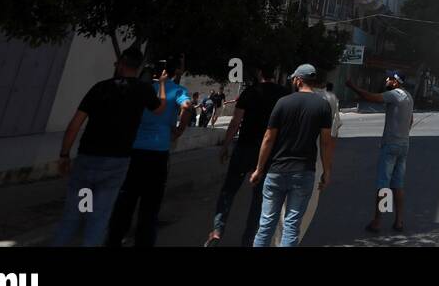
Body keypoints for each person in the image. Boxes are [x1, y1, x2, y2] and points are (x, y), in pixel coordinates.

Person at [53, 47, 165, 246]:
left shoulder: (100, 88)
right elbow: (159, 109)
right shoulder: (143, 90)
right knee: (98, 219)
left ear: (120, 64)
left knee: (73, 216)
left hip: (87, 161)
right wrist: (162, 84)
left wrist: (64, 154)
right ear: (138, 68)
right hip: (115, 164)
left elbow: (74, 125)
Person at [105, 58, 192, 247]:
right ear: (173, 73)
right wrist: (179, 130)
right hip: (158, 152)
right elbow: (187, 106)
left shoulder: (142, 88)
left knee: (125, 199)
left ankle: (114, 239)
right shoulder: (178, 90)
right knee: (150, 205)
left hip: (134, 149)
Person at [250, 64, 334, 247]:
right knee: (291, 226)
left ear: (298, 80)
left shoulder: (283, 102)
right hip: (304, 172)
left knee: (265, 224)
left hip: (276, 171)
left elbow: (268, 138)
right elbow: (326, 142)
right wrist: (327, 172)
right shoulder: (322, 106)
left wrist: (259, 169)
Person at [205, 67, 287, 246]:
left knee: (229, 190)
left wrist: (225, 146)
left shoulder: (249, 92)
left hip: (244, 147)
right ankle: (248, 239)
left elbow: (235, 122)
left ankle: (218, 231)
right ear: (276, 73)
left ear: (259, 73)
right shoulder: (284, 94)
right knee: (259, 198)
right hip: (268, 152)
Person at [348, 71, 413, 233]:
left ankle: (377, 222)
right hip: (404, 144)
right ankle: (399, 221)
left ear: (396, 82)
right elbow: (410, 119)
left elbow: (371, 97)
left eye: (389, 79)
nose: (387, 80)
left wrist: (352, 87)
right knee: (398, 185)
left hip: (390, 144)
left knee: (383, 185)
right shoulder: (408, 97)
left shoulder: (394, 94)